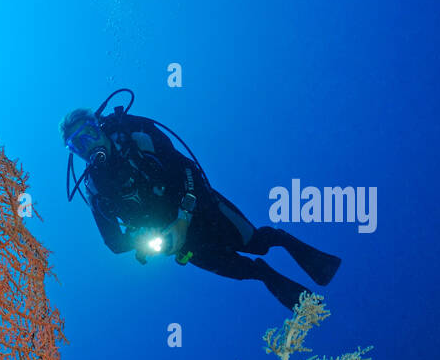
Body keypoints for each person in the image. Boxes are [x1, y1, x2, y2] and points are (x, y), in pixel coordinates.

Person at [62, 89, 341, 309]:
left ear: (98, 125)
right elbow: (113, 242)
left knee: (257, 243)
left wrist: (183, 218)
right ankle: (304, 303)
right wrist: (143, 239)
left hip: (205, 208)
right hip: (186, 244)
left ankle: (296, 247)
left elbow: (188, 169)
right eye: (78, 145)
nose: (89, 146)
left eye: (89, 133)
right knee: (250, 271)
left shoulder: (138, 136)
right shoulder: (96, 188)